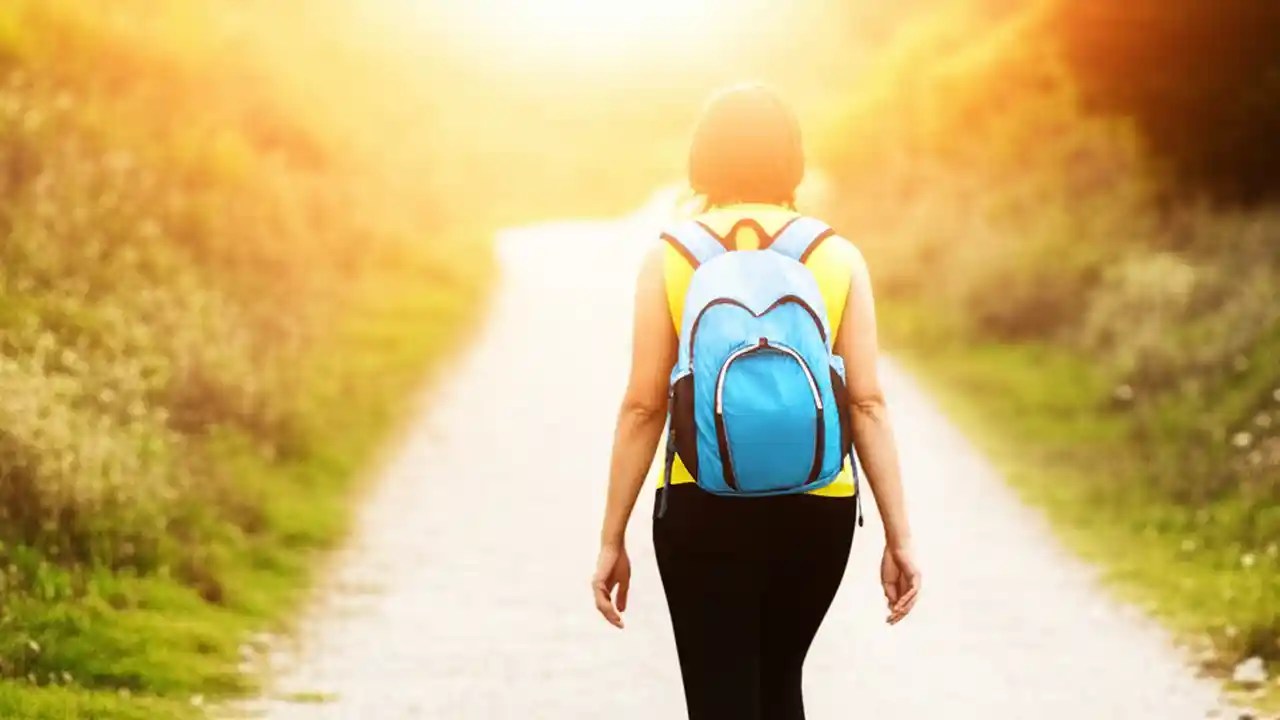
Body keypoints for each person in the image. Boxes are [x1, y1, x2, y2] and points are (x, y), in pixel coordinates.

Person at [592, 84, 921, 720]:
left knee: (721, 697)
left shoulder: (669, 257)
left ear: (702, 159)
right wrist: (898, 535)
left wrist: (612, 537)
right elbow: (869, 403)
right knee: (779, 686)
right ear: (792, 160)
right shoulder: (837, 255)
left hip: (700, 501)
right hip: (818, 503)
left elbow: (641, 407)